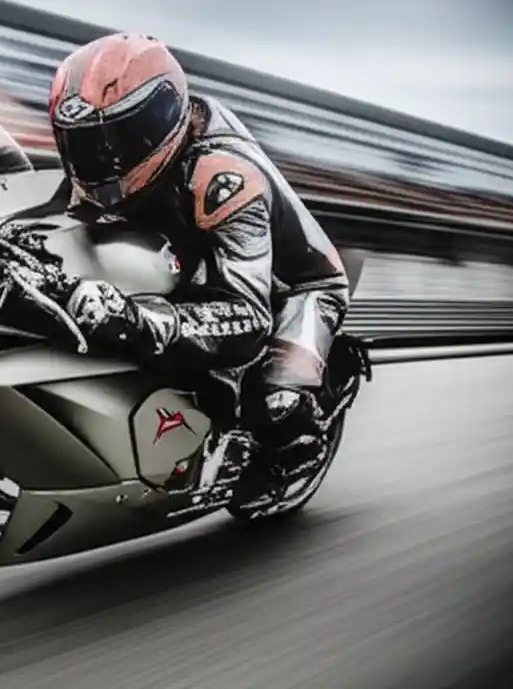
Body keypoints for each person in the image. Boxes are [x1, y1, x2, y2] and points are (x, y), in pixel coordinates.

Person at [45, 32, 354, 504]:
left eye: (119, 139)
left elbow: (249, 317)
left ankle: (292, 450)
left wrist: (139, 319)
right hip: (200, 250)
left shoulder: (223, 177)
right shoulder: (105, 169)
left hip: (297, 286)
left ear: (161, 121)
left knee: (274, 402)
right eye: (85, 144)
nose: (102, 158)